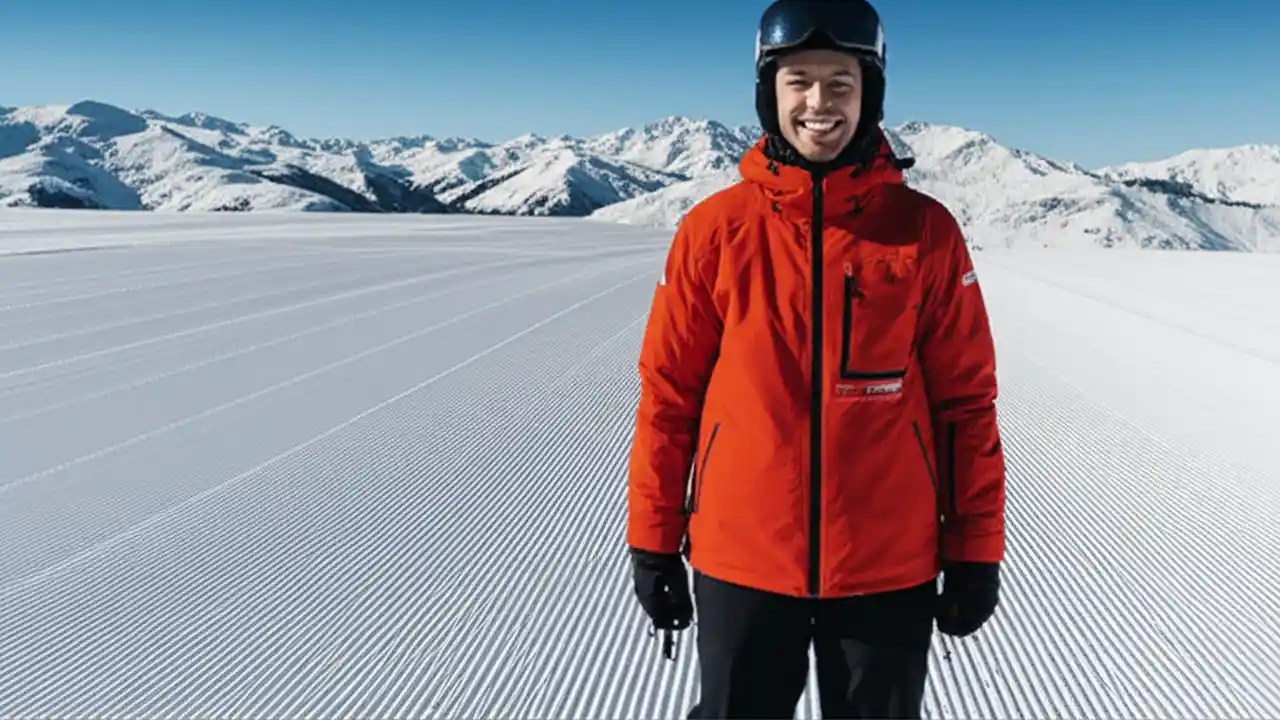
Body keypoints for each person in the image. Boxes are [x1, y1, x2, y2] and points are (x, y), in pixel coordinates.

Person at [625, 0, 1007, 717]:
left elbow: (965, 404)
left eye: (841, 82)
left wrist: (977, 547)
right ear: (769, 92)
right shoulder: (714, 233)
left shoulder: (925, 233)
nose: (819, 103)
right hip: (742, 558)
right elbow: (669, 396)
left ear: (870, 94)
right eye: (799, 80)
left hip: (888, 562)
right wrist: (652, 541)